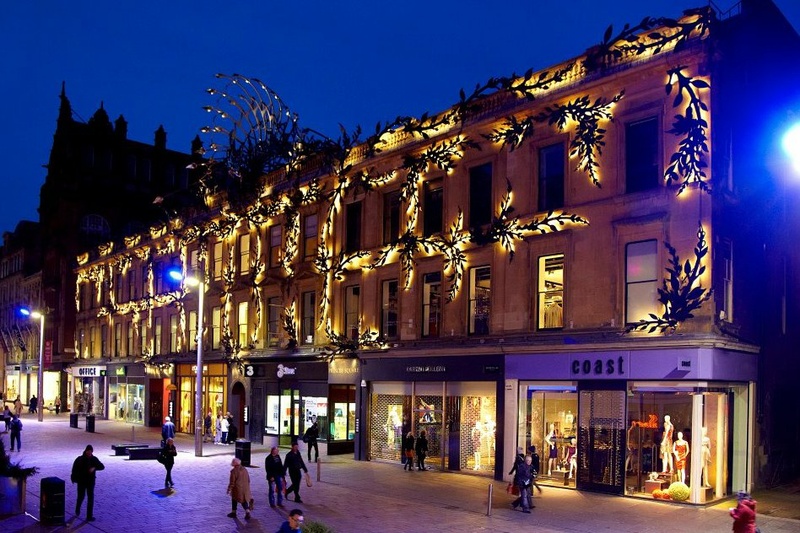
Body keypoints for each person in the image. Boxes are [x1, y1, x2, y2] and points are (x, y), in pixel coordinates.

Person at [71, 444, 105, 522]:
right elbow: (74, 469)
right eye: (88, 451)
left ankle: (89, 516)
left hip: (90, 482)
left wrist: (94, 468)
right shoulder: (80, 459)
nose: (89, 452)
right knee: (81, 497)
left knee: (90, 498)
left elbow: (102, 466)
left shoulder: (94, 459)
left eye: (90, 451)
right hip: (82, 481)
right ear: (85, 451)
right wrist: (74, 478)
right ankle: (77, 509)